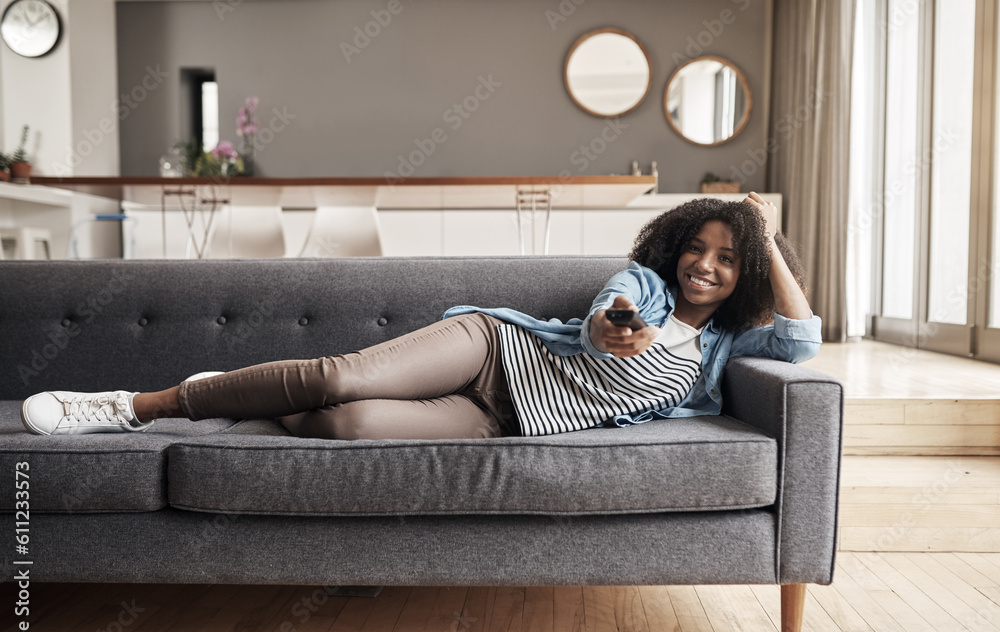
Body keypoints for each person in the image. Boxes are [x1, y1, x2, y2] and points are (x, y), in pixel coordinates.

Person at [20, 192, 821, 439]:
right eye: (699, 247)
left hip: (511, 420)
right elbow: (601, 318)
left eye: (727, 257)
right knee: (339, 374)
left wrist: (766, 237)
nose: (705, 265)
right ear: (678, 245)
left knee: (345, 425)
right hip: (493, 356)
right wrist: (613, 325)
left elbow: (803, 338)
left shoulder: (718, 349)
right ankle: (138, 405)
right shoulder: (641, 287)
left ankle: (232, 394)